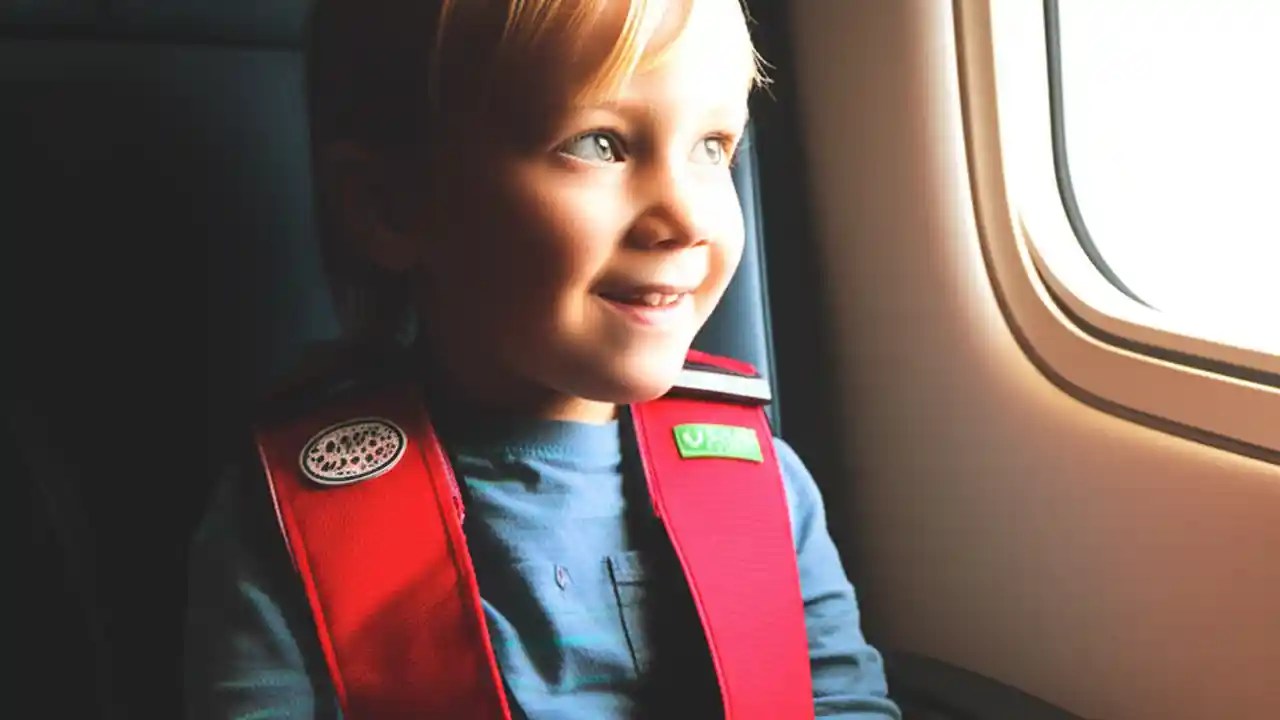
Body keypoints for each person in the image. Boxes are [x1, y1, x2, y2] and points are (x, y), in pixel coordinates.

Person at [184, 0, 901, 717]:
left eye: (712, 147)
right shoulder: (293, 523)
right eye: (599, 144)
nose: (686, 219)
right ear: (392, 206)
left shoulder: (763, 483)